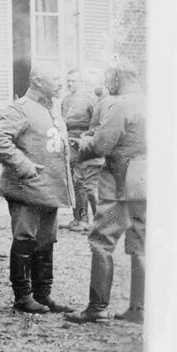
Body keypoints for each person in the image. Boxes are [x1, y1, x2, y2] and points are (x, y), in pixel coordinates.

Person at [0, 63, 75, 315]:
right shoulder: (21, 108)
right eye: (55, 77)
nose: (60, 82)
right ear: (37, 80)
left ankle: (42, 294)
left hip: (49, 189)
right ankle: (22, 296)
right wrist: (23, 165)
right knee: (25, 239)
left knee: (46, 240)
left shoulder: (51, 107)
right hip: (26, 188)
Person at [66, 59, 147, 324]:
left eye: (109, 77)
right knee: (141, 244)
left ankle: (97, 308)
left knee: (102, 241)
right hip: (146, 179)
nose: (107, 83)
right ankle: (139, 309)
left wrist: (85, 143)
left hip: (119, 180)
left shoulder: (122, 105)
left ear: (120, 77)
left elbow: (101, 144)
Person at [61, 69, 104, 234]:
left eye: (73, 80)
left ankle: (94, 222)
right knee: (74, 183)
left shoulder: (90, 100)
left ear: (81, 82)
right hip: (69, 145)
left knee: (86, 184)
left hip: (83, 145)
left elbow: (98, 125)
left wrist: (87, 140)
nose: (70, 83)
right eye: (68, 81)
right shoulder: (65, 100)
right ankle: (79, 218)